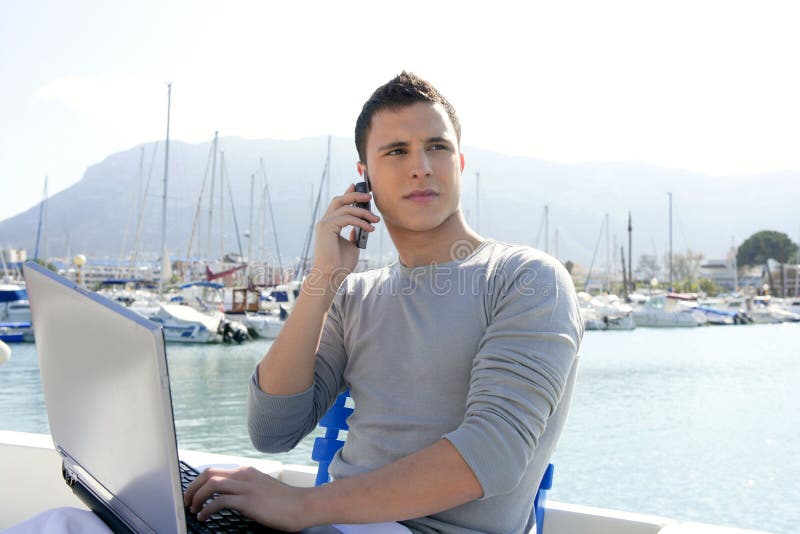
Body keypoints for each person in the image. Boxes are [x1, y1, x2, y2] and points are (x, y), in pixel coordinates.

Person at [185, 72, 583, 534]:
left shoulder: (526, 278)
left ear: (459, 162)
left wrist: (301, 506)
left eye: (437, 147)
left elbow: (492, 455)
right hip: (331, 524)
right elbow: (273, 431)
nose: (421, 166)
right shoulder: (353, 294)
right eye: (396, 151)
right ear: (365, 178)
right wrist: (323, 280)